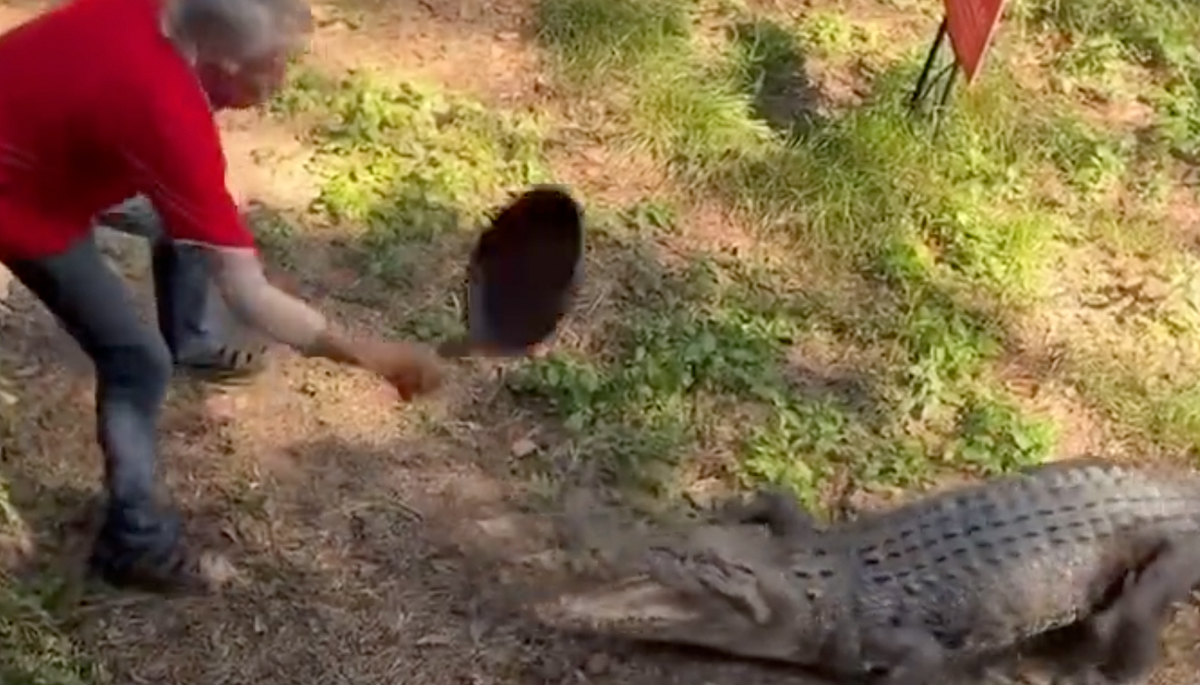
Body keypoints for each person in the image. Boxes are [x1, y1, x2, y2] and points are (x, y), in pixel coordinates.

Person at [0, 0, 447, 595]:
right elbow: (250, 296)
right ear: (220, 63)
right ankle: (137, 545)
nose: (281, 81)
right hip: (21, 196)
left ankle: (195, 338)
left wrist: (241, 265)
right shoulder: (165, 112)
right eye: (270, 66)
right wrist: (371, 355)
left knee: (185, 225)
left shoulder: (160, 19)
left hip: (45, 139)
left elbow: (209, 226)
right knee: (136, 363)